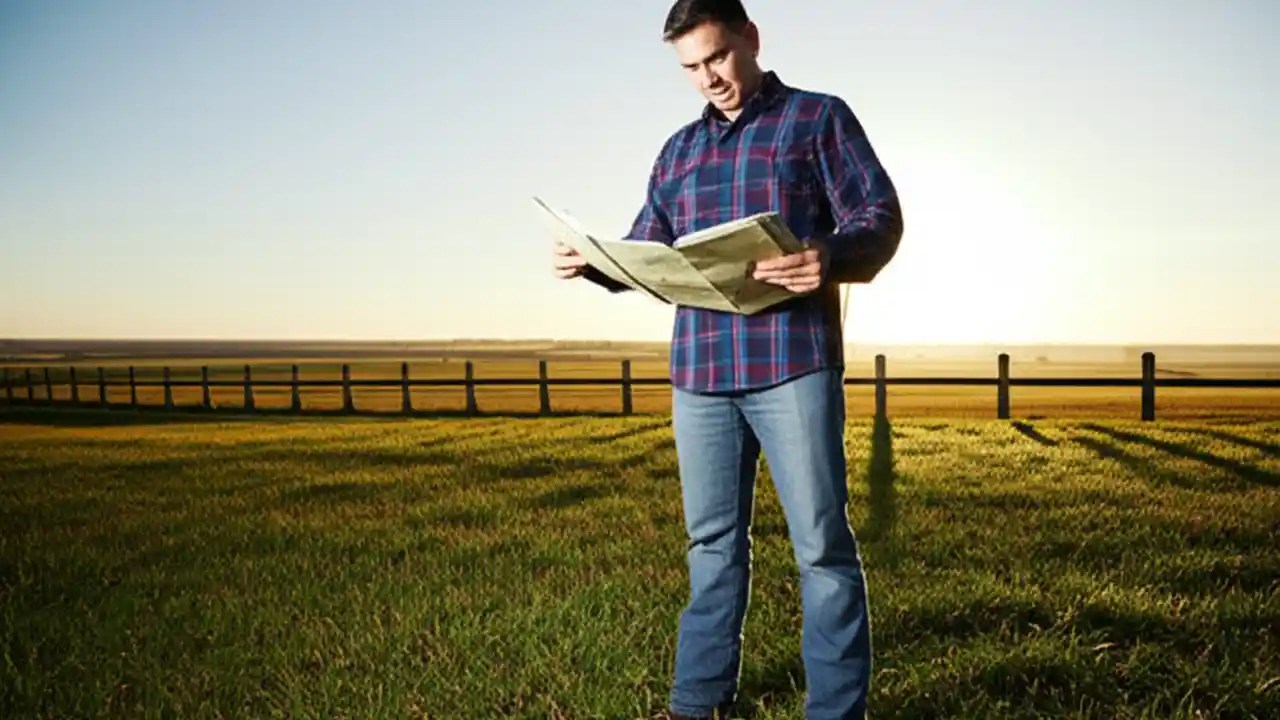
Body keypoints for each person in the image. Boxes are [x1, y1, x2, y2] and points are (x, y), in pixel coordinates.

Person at [552, 1, 903, 718]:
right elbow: (647, 249)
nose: (707, 77)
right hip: (701, 374)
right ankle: (696, 703)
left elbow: (879, 215)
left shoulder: (818, 118)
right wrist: (594, 261)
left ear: (751, 38)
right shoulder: (676, 151)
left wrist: (828, 255)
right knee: (710, 545)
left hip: (793, 362)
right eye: (689, 68)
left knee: (821, 547)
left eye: (716, 57)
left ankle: (835, 712)